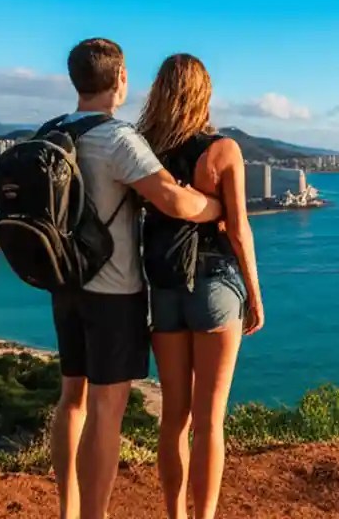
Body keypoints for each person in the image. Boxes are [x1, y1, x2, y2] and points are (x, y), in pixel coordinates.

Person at [50, 38, 223, 519]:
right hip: (112, 292)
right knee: (107, 410)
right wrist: (216, 207)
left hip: (65, 285)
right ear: (121, 78)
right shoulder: (117, 139)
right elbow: (173, 200)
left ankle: (69, 510)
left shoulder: (53, 131)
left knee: (72, 401)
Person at [137, 54, 265, 519]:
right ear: (203, 94)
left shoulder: (144, 149)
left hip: (164, 285)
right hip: (215, 284)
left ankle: (174, 515)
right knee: (210, 421)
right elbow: (239, 228)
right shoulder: (223, 150)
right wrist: (254, 292)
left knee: (174, 417)